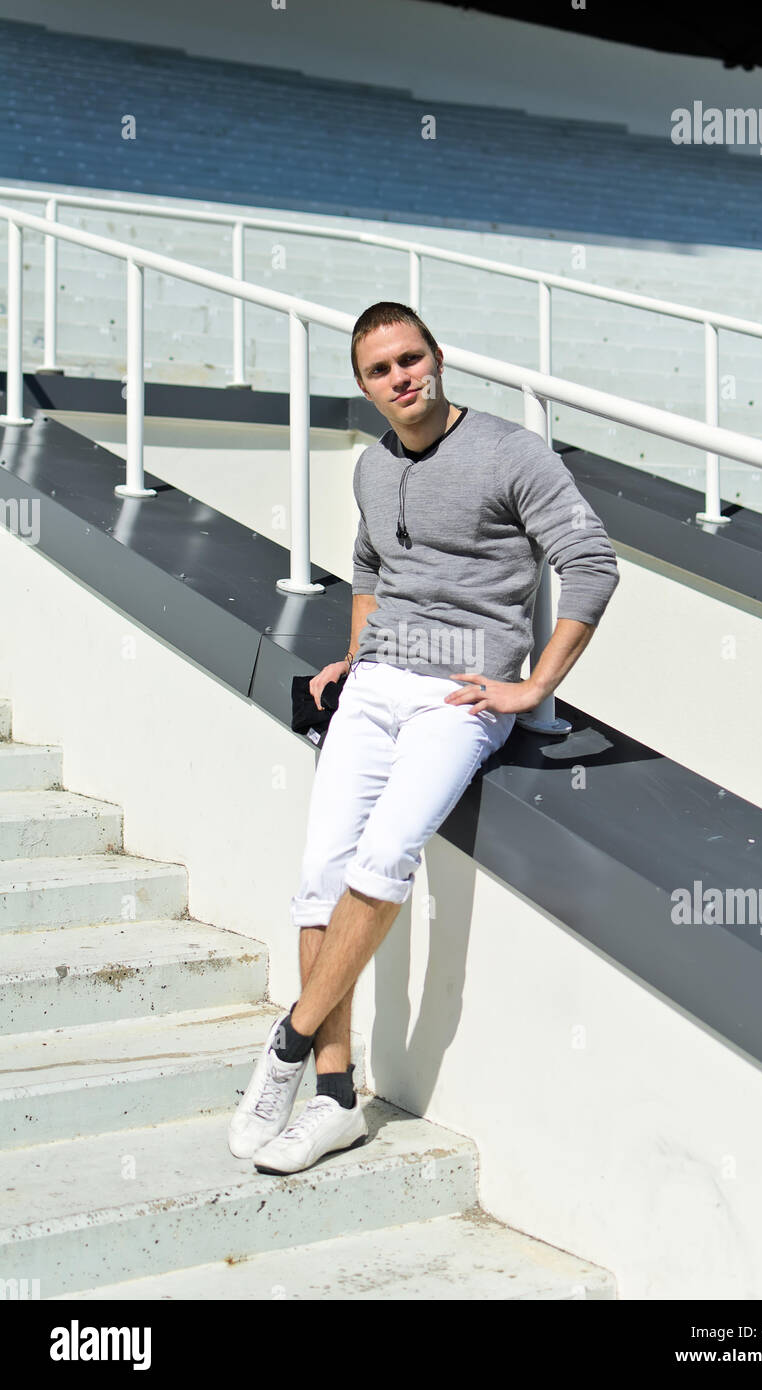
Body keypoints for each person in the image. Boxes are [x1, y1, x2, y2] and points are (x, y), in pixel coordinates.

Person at [229, 301, 620, 1174]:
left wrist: (534, 687)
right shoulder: (372, 467)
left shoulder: (512, 452)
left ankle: (286, 1046)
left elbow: (590, 562)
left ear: (438, 358)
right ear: (365, 387)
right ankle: (332, 1095)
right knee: (320, 875)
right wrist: (354, 655)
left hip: (461, 696)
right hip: (375, 685)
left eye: (412, 359)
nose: (402, 377)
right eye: (381, 370)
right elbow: (369, 567)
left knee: (384, 858)